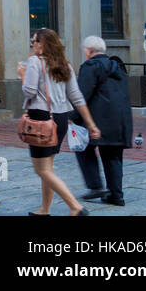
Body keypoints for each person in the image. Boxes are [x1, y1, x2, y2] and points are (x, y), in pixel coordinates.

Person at [19, 28, 99, 216]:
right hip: (61, 118)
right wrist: (90, 123)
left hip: (41, 118)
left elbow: (29, 91)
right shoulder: (65, 65)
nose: (33, 44)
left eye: (36, 41)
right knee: (48, 167)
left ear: (45, 44)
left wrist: (22, 74)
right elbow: (76, 97)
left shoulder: (34, 62)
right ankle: (44, 209)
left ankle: (75, 207)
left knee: (42, 170)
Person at [75, 36, 133, 207]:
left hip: (98, 119)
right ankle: (116, 195)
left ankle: (95, 186)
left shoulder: (90, 66)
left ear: (88, 51)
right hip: (120, 120)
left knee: (83, 148)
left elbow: (82, 95)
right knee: (113, 156)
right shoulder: (118, 67)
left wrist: (72, 116)